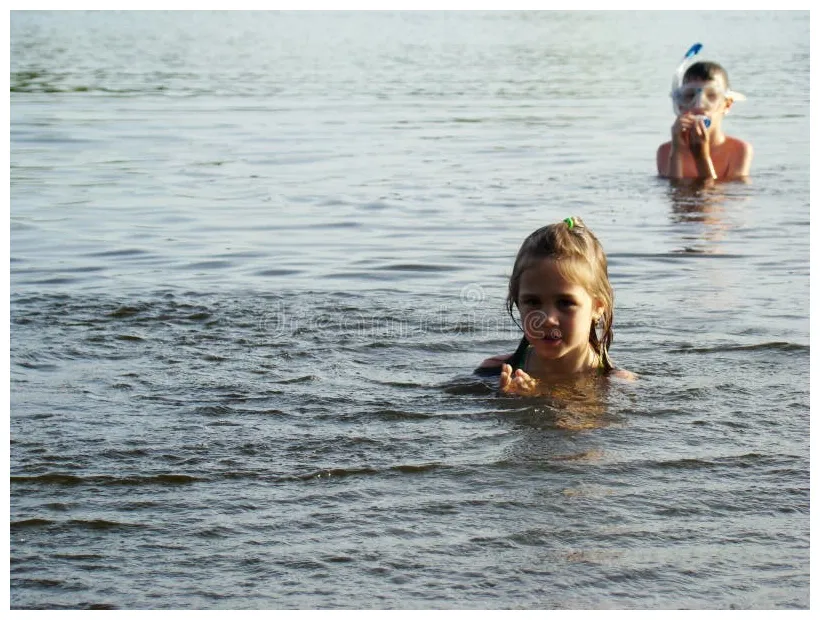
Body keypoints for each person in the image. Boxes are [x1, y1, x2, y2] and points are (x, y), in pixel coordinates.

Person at [476, 217, 634, 396]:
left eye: (565, 303)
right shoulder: (493, 372)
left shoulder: (616, 384)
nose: (548, 319)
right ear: (518, 303)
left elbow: (589, 421)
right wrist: (502, 400)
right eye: (533, 302)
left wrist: (542, 398)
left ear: (597, 307)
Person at [657, 59, 753, 181]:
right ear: (680, 105)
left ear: (727, 105)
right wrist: (677, 152)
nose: (699, 105)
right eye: (690, 95)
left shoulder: (739, 150)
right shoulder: (666, 151)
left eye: (711, 95)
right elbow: (673, 195)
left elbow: (713, 197)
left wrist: (701, 157)